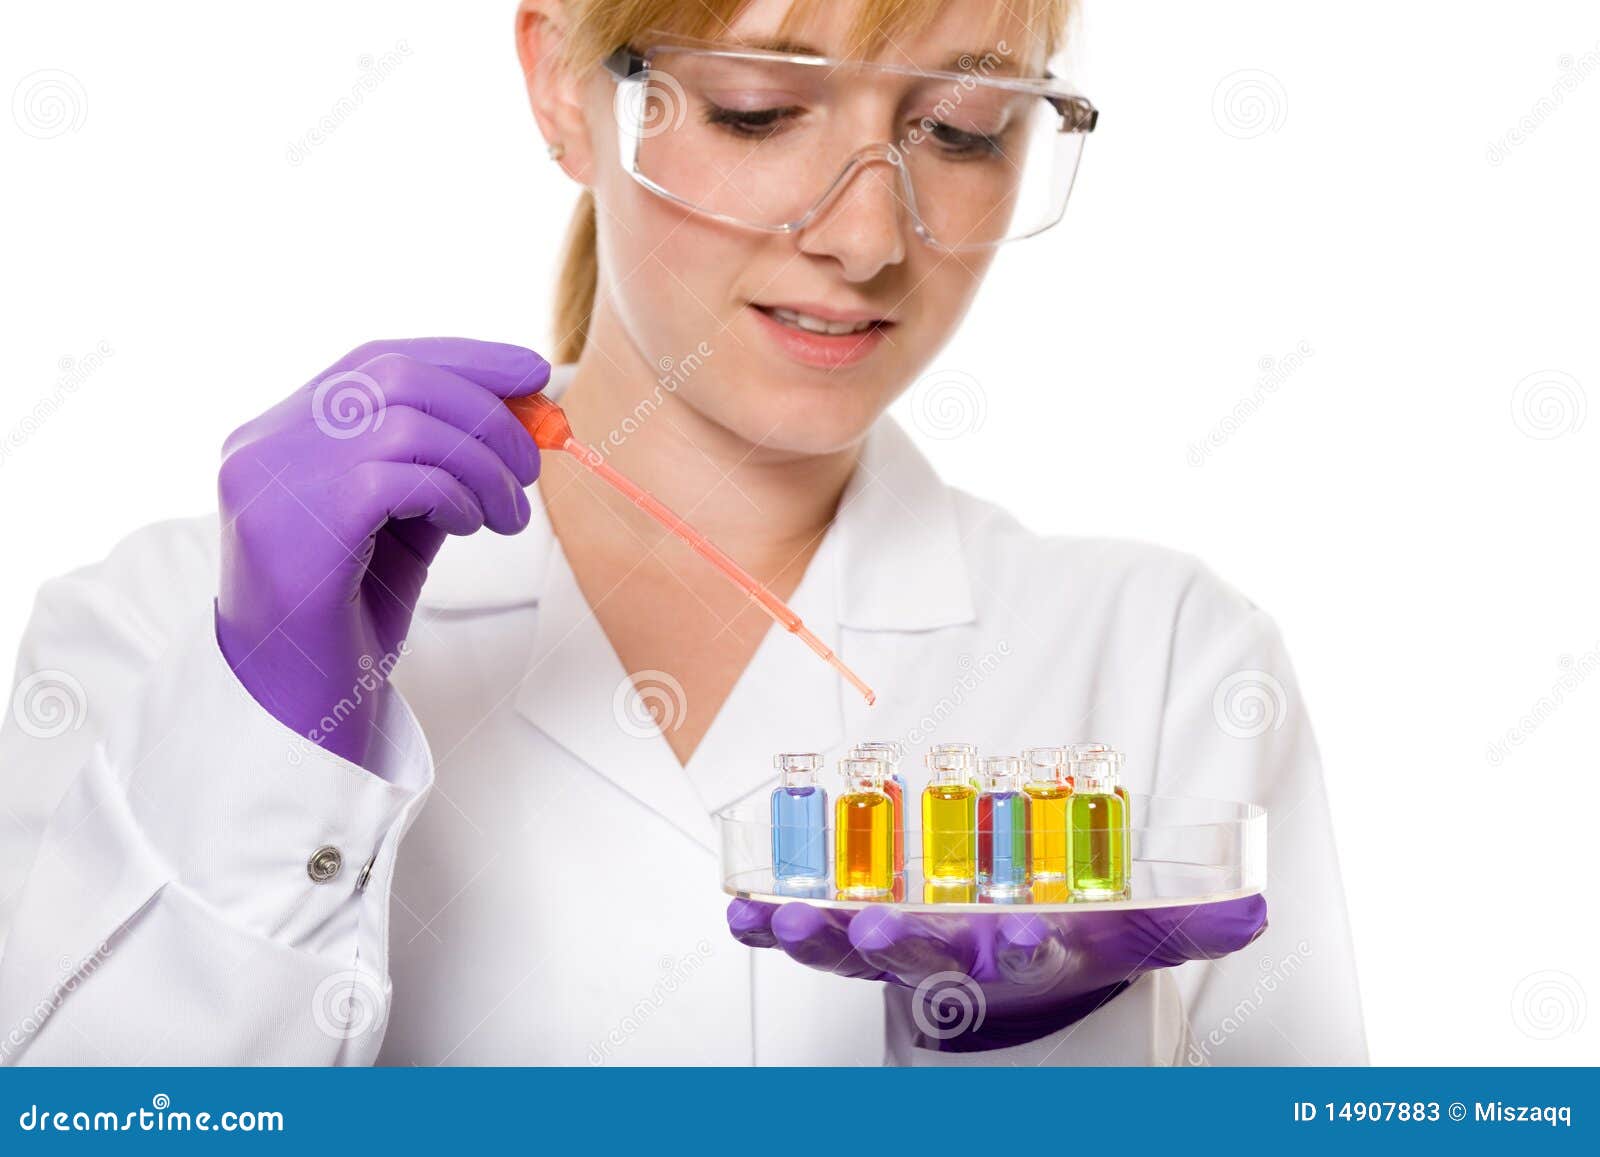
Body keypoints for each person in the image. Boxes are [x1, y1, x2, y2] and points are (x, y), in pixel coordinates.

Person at [0, 0, 1365, 1065]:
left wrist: (1038, 1064)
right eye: (758, 109)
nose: (870, 237)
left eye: (961, 128)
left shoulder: (1167, 658)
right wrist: (266, 753)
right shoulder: (152, 629)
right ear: (562, 83)